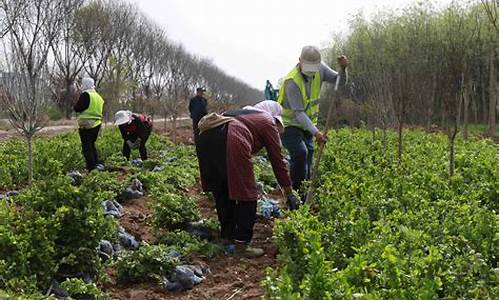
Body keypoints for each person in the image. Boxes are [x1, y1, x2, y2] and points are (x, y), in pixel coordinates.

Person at [197, 100, 300, 258]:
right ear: (274, 116)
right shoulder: (267, 120)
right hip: (233, 136)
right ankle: (242, 245)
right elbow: (277, 160)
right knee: (248, 194)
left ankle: (228, 238)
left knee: (222, 189)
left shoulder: (243, 113)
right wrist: (288, 191)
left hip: (204, 139)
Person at [277, 45, 348, 199]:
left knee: (308, 159)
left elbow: (339, 82)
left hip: (307, 126)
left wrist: (343, 69)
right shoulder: (292, 82)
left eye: (314, 67)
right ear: (300, 61)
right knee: (300, 154)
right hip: (290, 125)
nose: (311, 71)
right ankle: (293, 196)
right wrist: (316, 133)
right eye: (308, 67)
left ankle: (304, 197)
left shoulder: (320, 69)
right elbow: (299, 113)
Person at [73, 77, 104, 171]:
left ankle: (91, 168)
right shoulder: (98, 97)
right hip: (97, 123)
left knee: (86, 146)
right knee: (91, 144)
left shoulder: (86, 95)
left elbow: (78, 108)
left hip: (86, 124)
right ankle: (96, 164)